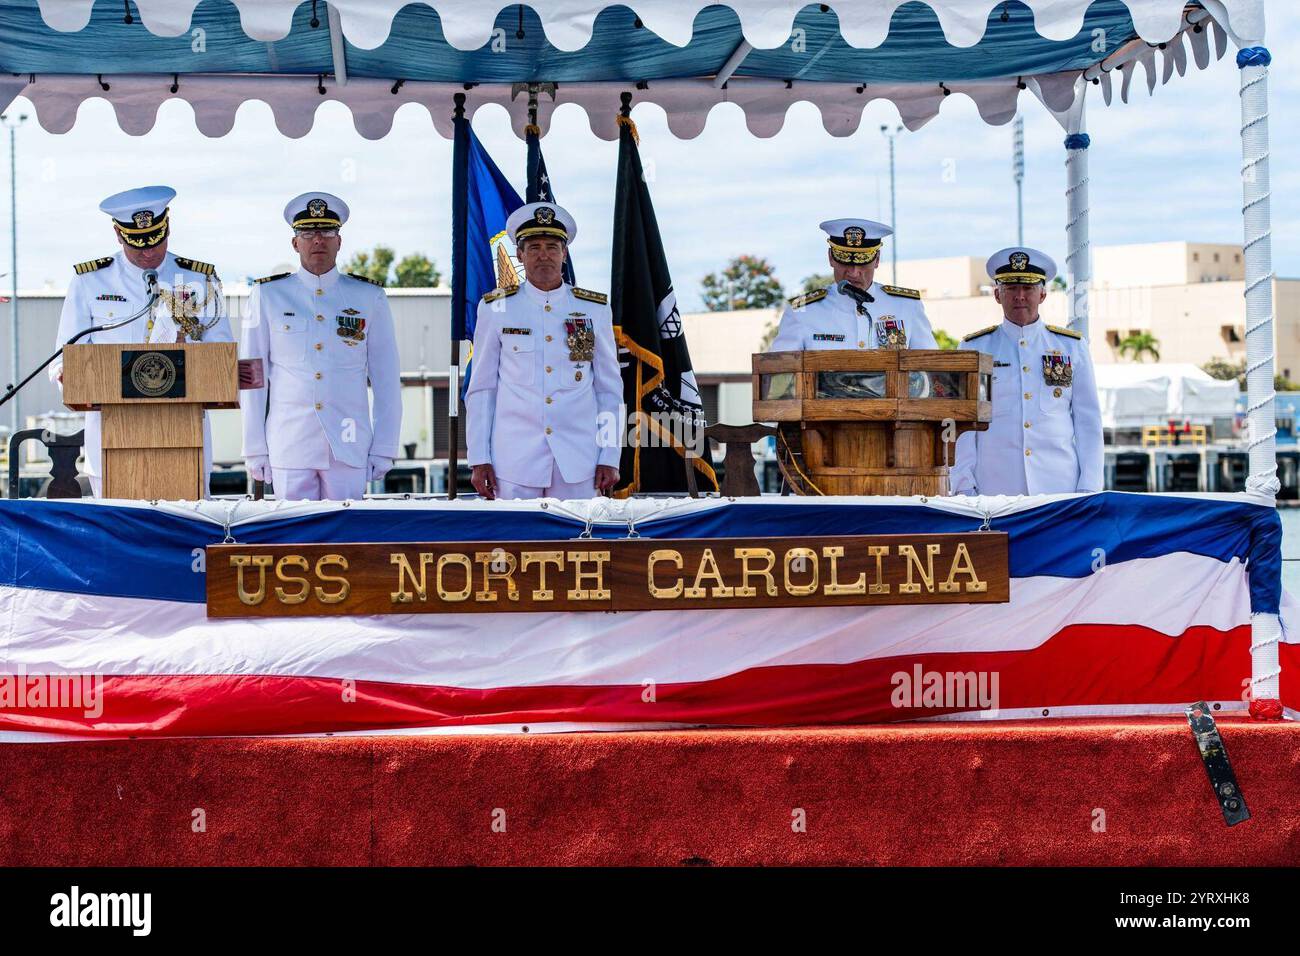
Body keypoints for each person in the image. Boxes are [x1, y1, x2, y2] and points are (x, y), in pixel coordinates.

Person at [50, 185, 231, 498]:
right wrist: (68, 375)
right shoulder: (90, 281)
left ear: (168, 227)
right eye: (138, 245)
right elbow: (65, 357)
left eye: (156, 240)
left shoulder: (199, 279)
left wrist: (190, 354)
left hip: (185, 435)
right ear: (119, 236)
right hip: (112, 437)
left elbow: (222, 355)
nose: (149, 252)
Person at [240, 191, 401, 501]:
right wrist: (254, 448)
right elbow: (250, 377)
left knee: (348, 540)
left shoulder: (368, 297)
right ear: (295, 243)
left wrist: (385, 446)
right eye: (308, 233)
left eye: (327, 231)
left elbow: (387, 379)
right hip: (290, 444)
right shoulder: (268, 295)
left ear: (339, 241)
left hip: (349, 446)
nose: (318, 240)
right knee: (294, 542)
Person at [466, 202, 621, 500]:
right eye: (533, 247)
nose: (543, 255)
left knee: (580, 543)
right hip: (513, 462)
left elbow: (608, 389)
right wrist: (478, 457)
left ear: (565, 254)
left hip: (579, 461)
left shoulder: (593, 308)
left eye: (552, 246)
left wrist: (610, 455)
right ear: (520, 256)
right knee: (514, 544)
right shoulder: (497, 307)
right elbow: (482, 388)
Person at [950, 246, 1103, 496]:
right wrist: (964, 488)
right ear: (997, 294)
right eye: (1011, 288)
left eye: (1028, 288)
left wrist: (1088, 489)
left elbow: (1089, 424)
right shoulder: (974, 348)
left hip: (1059, 490)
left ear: (1043, 294)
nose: (1019, 296)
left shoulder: (1071, 347)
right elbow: (964, 427)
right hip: (995, 491)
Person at [770, 218, 937, 351]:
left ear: (877, 260)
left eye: (862, 262)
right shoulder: (802, 310)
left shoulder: (906, 306)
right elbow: (779, 372)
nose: (854, 272)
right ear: (830, 257)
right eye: (844, 261)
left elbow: (930, 367)